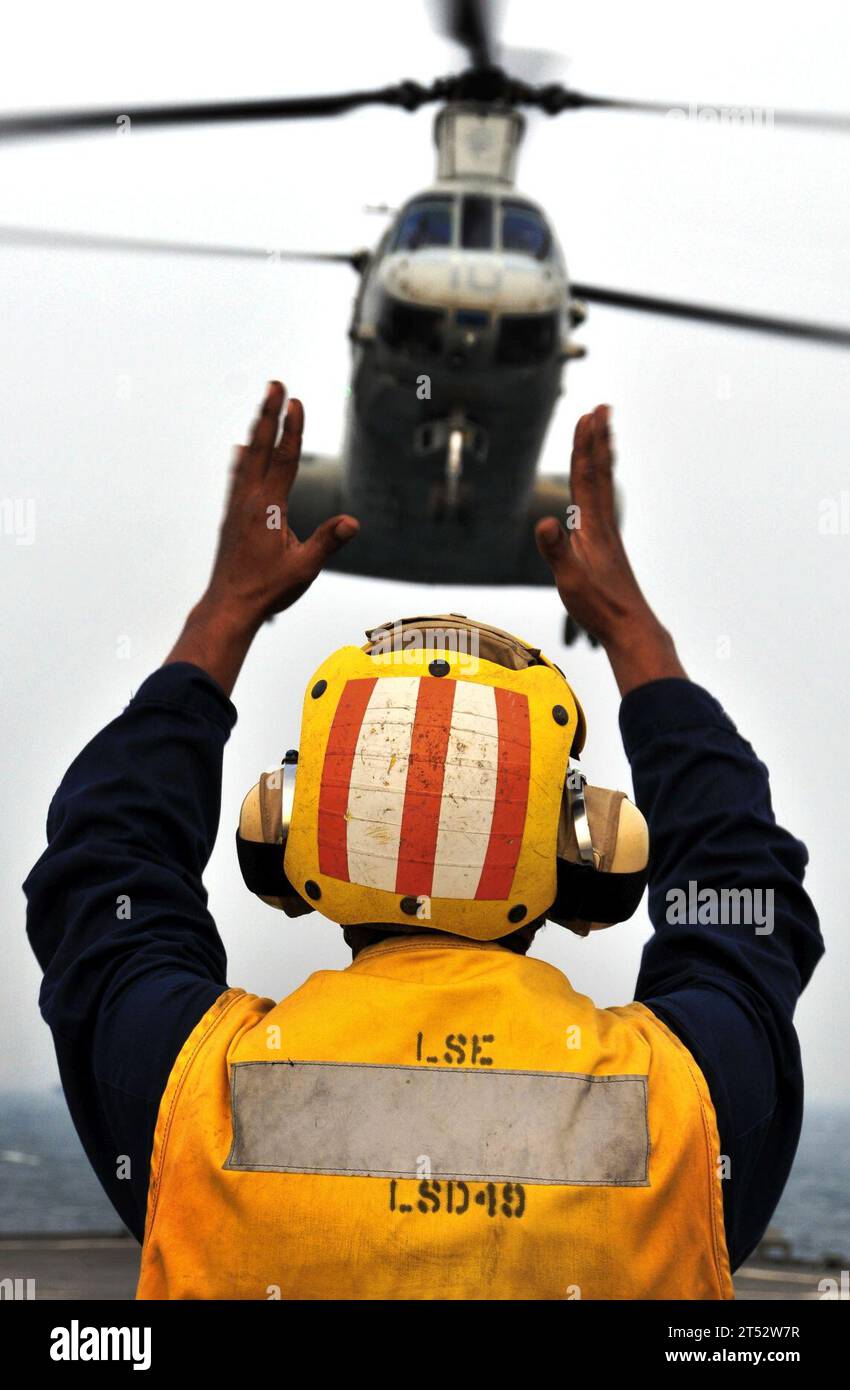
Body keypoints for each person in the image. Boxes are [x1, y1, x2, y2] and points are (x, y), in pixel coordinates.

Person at [24, 382, 822, 1300]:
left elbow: (101, 866)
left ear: (286, 834)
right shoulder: (684, 1115)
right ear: (584, 856)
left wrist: (226, 611)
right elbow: (743, 888)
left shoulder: (191, 1097)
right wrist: (633, 632)